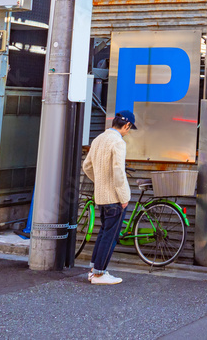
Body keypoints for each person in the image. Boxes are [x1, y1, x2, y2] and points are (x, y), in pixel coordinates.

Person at [82, 109, 137, 284]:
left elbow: (87, 166)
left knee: (103, 232)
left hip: (101, 196)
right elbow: (118, 172)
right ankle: (99, 274)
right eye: (130, 128)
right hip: (114, 197)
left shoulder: (98, 139)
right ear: (126, 125)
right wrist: (123, 197)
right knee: (111, 235)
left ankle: (94, 269)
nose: (128, 132)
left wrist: (100, 181)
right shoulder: (118, 142)